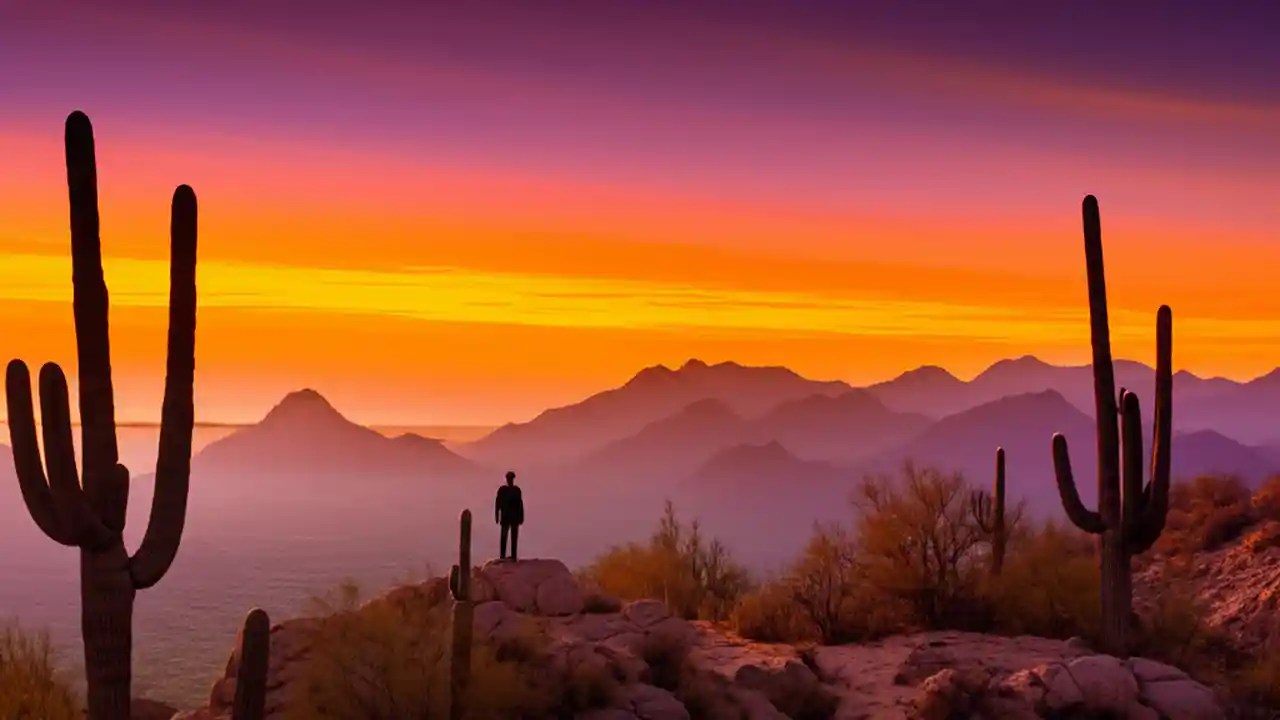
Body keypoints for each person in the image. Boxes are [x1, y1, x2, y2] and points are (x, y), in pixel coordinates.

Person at [494, 470, 524, 561]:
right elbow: (498, 504)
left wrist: (521, 516)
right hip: (507, 518)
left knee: (512, 537)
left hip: (512, 518)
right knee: (504, 537)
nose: (510, 480)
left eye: (511, 479)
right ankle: (503, 556)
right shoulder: (503, 490)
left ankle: (512, 556)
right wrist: (496, 515)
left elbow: (520, 504)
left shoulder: (516, 490)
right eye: (509, 478)